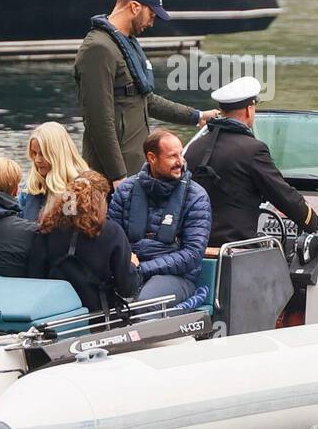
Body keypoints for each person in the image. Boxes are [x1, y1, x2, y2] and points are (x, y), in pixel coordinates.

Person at [74, 0, 217, 185]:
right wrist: (118, 177)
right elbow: (99, 120)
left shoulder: (125, 44)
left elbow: (145, 100)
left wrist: (198, 116)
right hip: (112, 179)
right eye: (152, 14)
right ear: (134, 7)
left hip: (135, 171)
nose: (152, 22)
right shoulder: (99, 49)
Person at [184, 75, 318, 247]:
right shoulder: (253, 150)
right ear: (249, 110)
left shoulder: (195, 147)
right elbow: (282, 194)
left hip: (194, 247)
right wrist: (313, 220)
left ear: (221, 111)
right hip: (236, 251)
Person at [109, 129, 212, 308]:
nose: (180, 162)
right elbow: (112, 240)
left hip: (178, 277)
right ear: (152, 157)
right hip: (128, 271)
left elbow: (193, 254)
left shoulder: (196, 196)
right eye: (172, 156)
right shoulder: (124, 191)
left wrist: (142, 269)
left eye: (181, 154)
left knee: (144, 305)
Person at [35, 171, 138, 313]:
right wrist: (133, 265)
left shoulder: (47, 227)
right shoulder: (112, 232)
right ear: (101, 197)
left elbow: (35, 275)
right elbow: (128, 289)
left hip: (54, 312)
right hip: (98, 316)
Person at [19, 121, 89, 221]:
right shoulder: (29, 187)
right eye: (34, 153)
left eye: (43, 154)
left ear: (57, 155)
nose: (37, 160)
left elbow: (70, 230)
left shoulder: (78, 189)